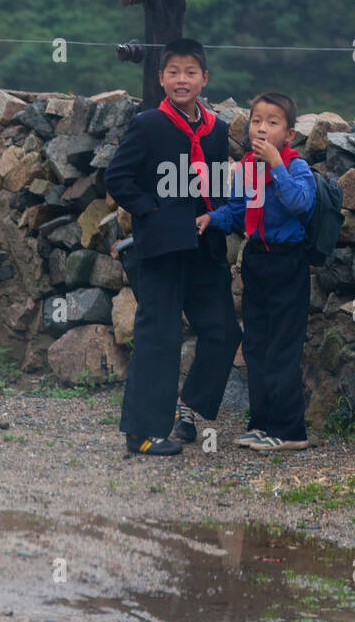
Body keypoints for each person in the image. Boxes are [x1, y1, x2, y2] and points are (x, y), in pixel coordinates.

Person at [103, 39, 244, 456]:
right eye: (173, 72)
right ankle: (143, 433)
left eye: (191, 72)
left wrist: (218, 215)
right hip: (162, 248)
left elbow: (216, 182)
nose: (182, 80)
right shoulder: (148, 125)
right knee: (159, 337)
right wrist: (151, 210)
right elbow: (118, 178)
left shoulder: (216, 130)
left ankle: (188, 406)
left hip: (205, 248)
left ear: (205, 78)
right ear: (160, 78)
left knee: (222, 330)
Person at [197, 91, 316, 452]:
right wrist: (210, 219)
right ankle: (262, 424)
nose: (261, 129)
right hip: (257, 261)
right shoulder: (247, 168)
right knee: (256, 345)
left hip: (288, 262)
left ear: (289, 134)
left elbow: (300, 203)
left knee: (282, 346)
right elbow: (237, 211)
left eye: (273, 122)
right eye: (256, 121)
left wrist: (276, 166)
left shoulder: (296, 167)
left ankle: (290, 430)